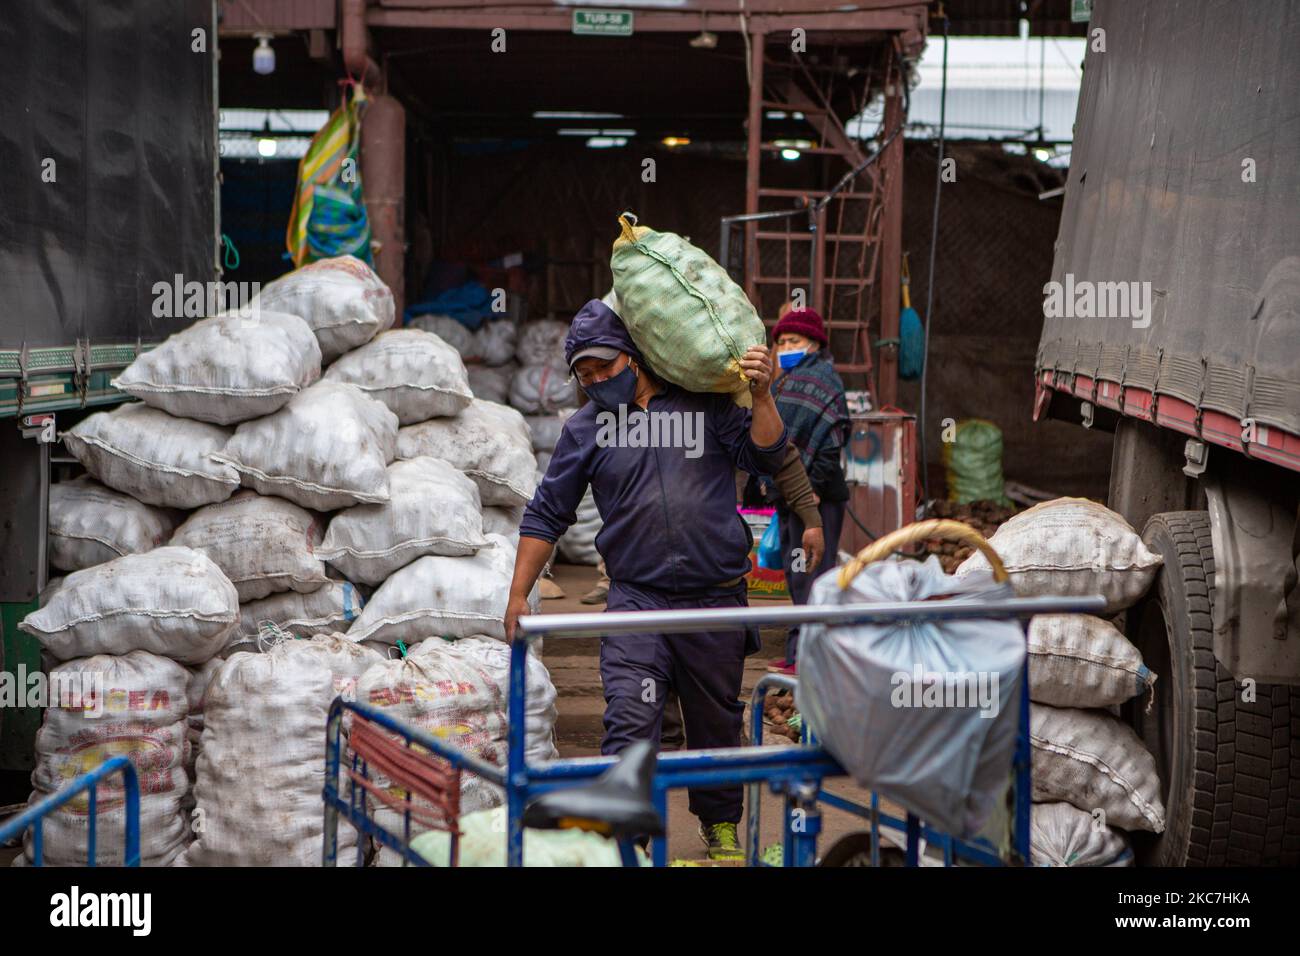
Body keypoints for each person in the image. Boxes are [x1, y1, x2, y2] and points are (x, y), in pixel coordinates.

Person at [505, 298, 787, 861]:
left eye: (604, 367)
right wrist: (517, 593)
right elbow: (546, 513)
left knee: (715, 723)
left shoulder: (703, 406)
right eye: (583, 373)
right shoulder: (586, 429)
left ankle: (720, 825)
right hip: (638, 599)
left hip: (715, 599)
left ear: (633, 357)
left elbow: (767, 456)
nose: (595, 380)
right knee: (631, 717)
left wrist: (761, 394)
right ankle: (623, 839)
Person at [766, 307, 850, 673]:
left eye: (794, 340)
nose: (786, 347)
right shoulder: (787, 380)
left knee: (813, 576)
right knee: (795, 574)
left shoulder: (825, 380)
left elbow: (831, 441)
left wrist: (812, 490)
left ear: (814, 343)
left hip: (819, 500)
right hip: (790, 497)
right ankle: (797, 654)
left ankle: (810, 659)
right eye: (781, 341)